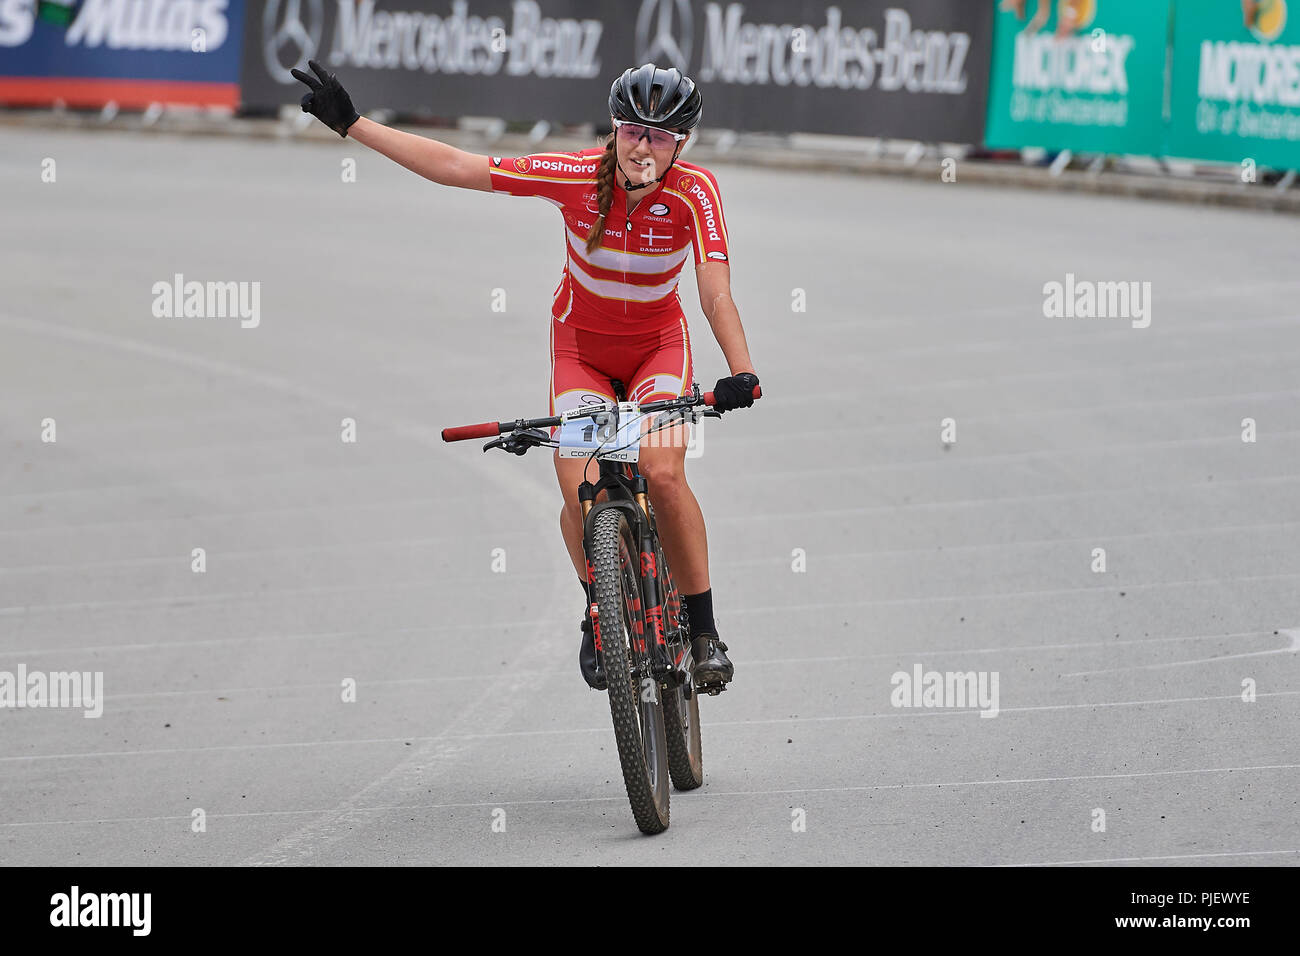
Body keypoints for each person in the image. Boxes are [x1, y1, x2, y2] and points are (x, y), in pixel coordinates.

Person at [293, 61, 759, 693]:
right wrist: (354, 125)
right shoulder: (574, 175)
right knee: (580, 497)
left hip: (657, 348)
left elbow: (714, 293)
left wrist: (741, 371)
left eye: (660, 136)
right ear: (614, 130)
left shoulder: (695, 192)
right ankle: (601, 614)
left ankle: (703, 630)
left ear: (681, 144)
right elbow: (462, 167)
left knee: (665, 473)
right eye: (632, 131)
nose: (643, 146)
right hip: (581, 353)